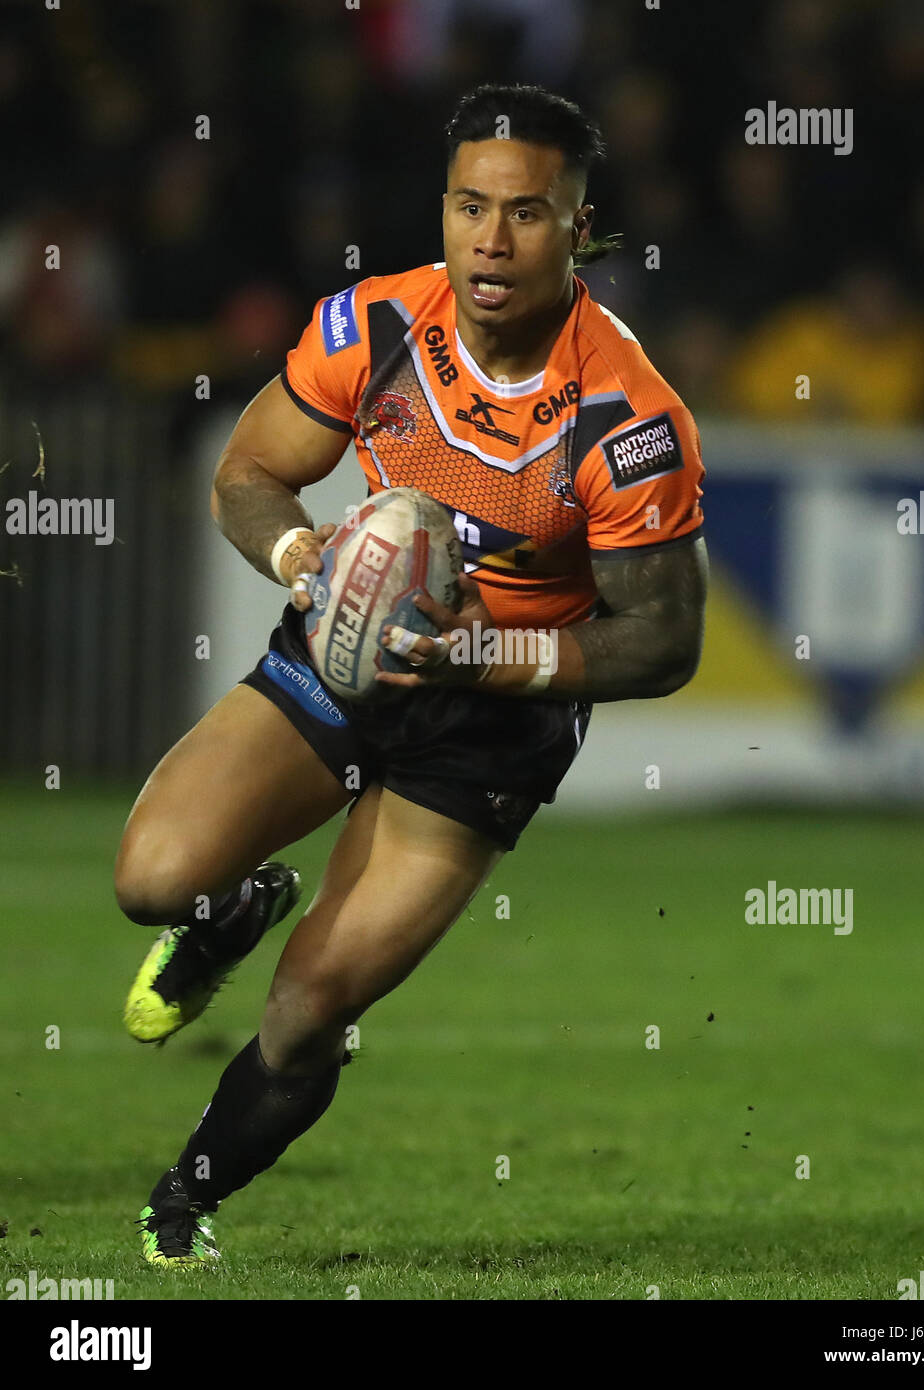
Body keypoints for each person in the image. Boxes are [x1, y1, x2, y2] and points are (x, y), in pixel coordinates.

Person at [116, 83, 708, 1267]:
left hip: (493, 722)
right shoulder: (374, 326)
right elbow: (246, 471)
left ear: (577, 230)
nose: (492, 241)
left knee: (309, 1009)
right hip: (346, 653)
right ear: (442, 210)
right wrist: (302, 556)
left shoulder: (626, 418)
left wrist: (486, 651)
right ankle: (229, 908)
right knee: (151, 877)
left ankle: (182, 1199)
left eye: (528, 214)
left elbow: (662, 641)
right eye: (470, 207)